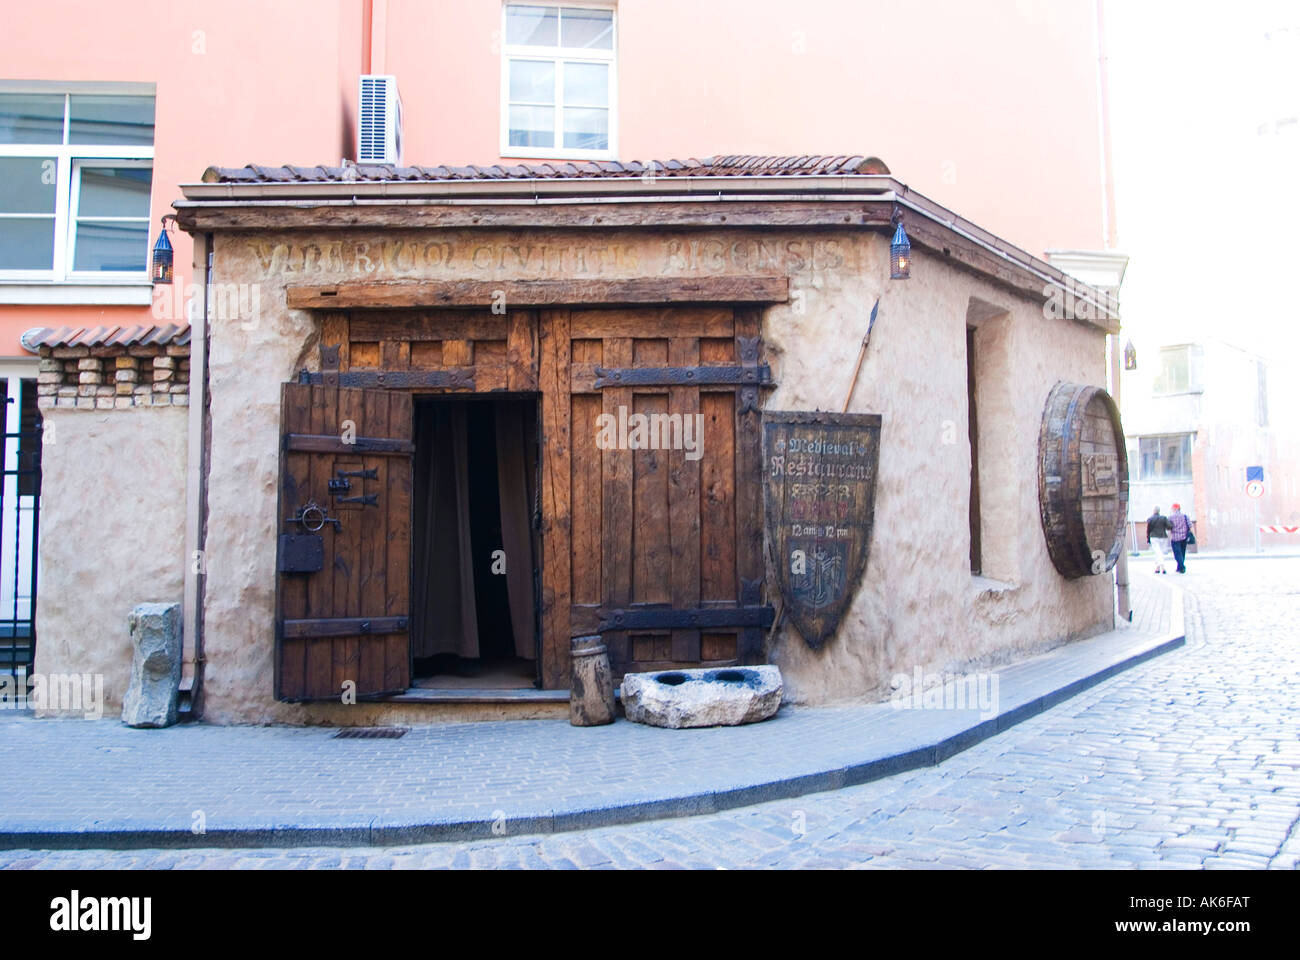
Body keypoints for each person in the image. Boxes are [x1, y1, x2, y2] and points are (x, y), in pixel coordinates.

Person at [1146, 506, 1172, 574]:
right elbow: (1169, 526)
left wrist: (1148, 539)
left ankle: (1162, 567)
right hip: (1163, 536)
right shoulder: (1163, 518)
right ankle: (1159, 568)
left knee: (1158, 552)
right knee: (1161, 552)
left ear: (1154, 511)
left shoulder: (1151, 519)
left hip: (1154, 537)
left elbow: (1148, 530)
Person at [1169, 502, 1190, 574]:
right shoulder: (1185, 516)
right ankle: (1179, 567)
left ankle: (1182, 567)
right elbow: (1190, 525)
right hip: (1184, 537)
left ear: (1175, 509)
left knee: (1177, 554)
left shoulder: (1170, 517)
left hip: (1175, 538)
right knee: (1182, 553)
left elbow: (1169, 527)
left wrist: (1169, 536)